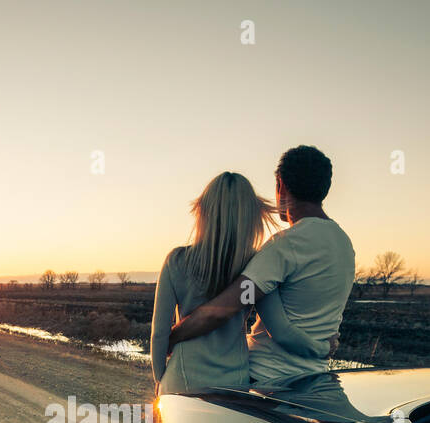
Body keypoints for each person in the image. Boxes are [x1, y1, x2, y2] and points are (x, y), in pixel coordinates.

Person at [167, 146, 355, 386]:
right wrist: (323, 348)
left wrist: (170, 338)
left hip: (266, 379)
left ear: (281, 186)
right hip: (314, 376)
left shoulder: (285, 245)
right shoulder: (343, 243)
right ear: (324, 189)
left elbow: (221, 310)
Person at [149, 172, 276, 394]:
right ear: (251, 216)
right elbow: (275, 326)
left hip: (181, 382)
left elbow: (159, 333)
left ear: (203, 211)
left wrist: (160, 378)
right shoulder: (256, 265)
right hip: (234, 386)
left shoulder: (177, 261)